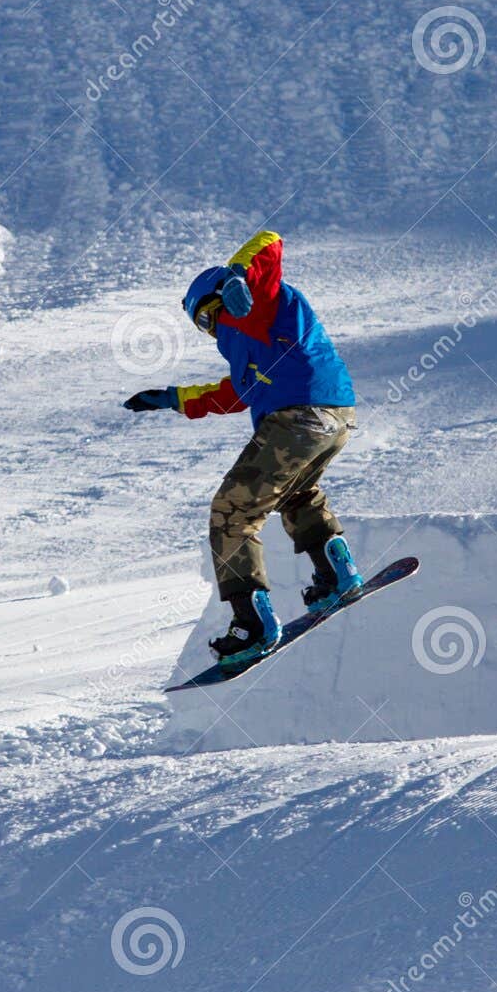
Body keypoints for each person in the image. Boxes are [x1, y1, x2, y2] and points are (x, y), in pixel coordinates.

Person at [123, 230, 364, 666]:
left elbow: (269, 242)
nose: (210, 329)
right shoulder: (252, 348)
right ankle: (336, 573)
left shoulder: (262, 302)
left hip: (299, 417)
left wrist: (238, 277)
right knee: (296, 495)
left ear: (219, 299)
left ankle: (251, 623)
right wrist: (171, 398)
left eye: (207, 317)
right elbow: (234, 393)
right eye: (202, 325)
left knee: (232, 511)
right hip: (334, 417)